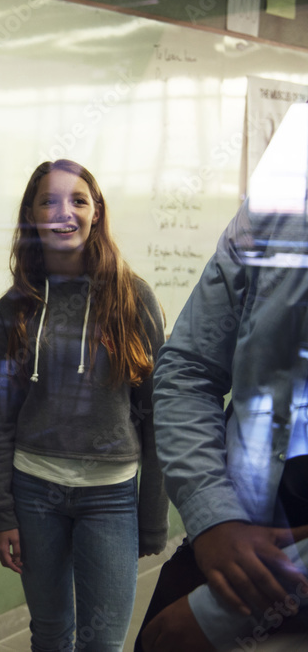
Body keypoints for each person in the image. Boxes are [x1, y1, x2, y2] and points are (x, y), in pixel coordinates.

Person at [0, 159, 169, 651]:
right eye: (49, 201)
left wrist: (153, 515)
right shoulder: (15, 306)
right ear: (31, 214)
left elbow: (157, 416)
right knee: (49, 634)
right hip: (33, 491)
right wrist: (3, 513)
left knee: (102, 642)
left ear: (96, 212)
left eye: (78, 200)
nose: (64, 212)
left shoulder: (133, 298)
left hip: (110, 496)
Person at [138, 194, 308, 651]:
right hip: (235, 521)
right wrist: (213, 518)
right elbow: (189, 368)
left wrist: (221, 615)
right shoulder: (276, 204)